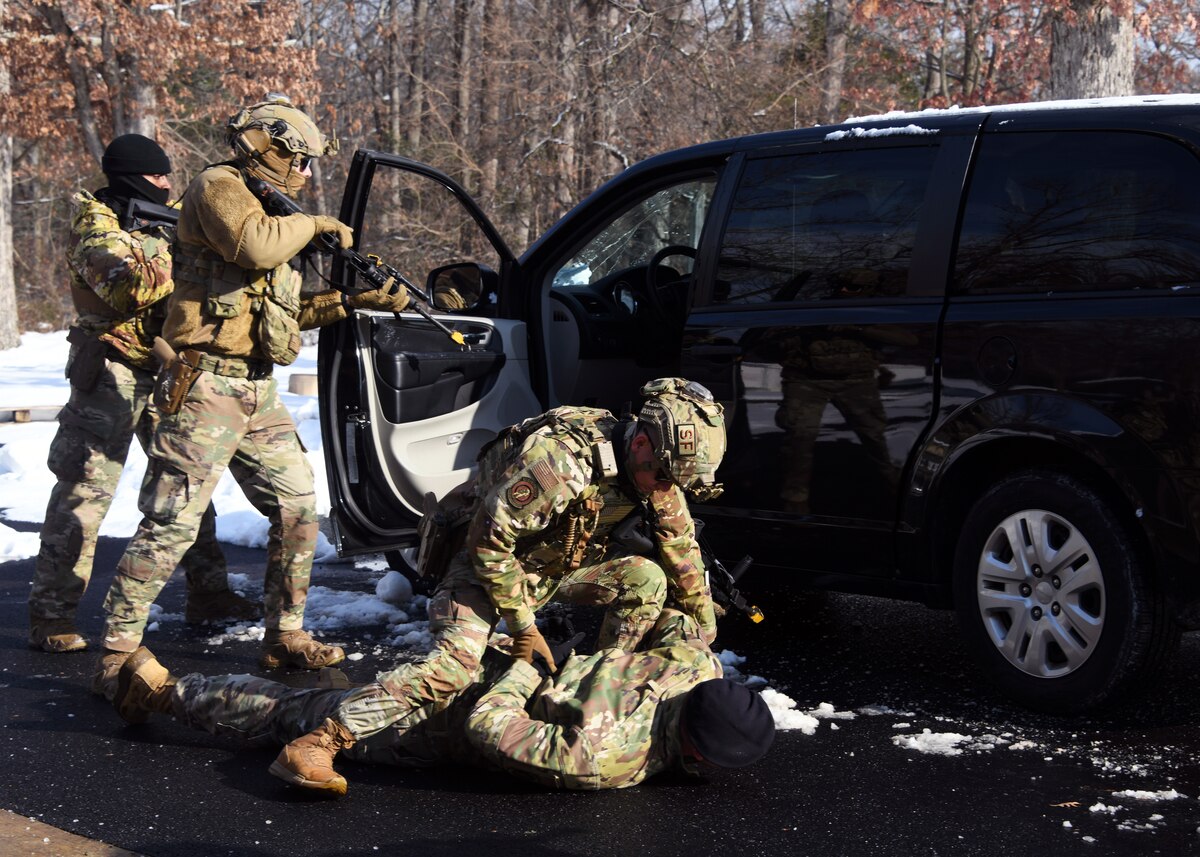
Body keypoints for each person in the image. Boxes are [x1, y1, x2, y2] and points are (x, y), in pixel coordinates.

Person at [92, 96, 413, 693]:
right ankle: (116, 653)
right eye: (302, 160)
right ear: (272, 147)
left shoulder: (272, 209)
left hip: (257, 388)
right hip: (205, 385)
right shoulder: (219, 186)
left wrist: (355, 299)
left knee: (297, 507)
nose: (308, 174)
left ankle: (284, 633)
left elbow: (280, 315)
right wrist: (315, 225)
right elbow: (257, 246)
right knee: (171, 523)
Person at [266, 376, 728, 789]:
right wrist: (524, 627)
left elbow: (681, 550)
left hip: (545, 568)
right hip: (480, 564)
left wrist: (703, 633)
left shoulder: (658, 477)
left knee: (645, 578)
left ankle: (583, 690)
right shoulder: (560, 462)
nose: (662, 489)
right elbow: (489, 542)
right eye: (660, 476)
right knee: (455, 668)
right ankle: (321, 741)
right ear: (642, 443)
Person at [111, 607, 775, 794]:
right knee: (292, 714)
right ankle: (167, 692)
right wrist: (522, 668)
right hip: (452, 712)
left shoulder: (693, 664)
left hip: (479, 678)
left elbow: (682, 621)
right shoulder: (608, 756)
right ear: (697, 755)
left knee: (318, 702)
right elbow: (489, 723)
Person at [28, 134, 258, 656]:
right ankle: (51, 615)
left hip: (166, 366)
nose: (168, 184)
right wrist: (174, 244)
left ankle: (210, 593)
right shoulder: (95, 226)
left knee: (184, 483)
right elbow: (128, 287)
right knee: (84, 492)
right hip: (109, 368)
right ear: (133, 178)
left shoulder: (164, 217)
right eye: (158, 177)